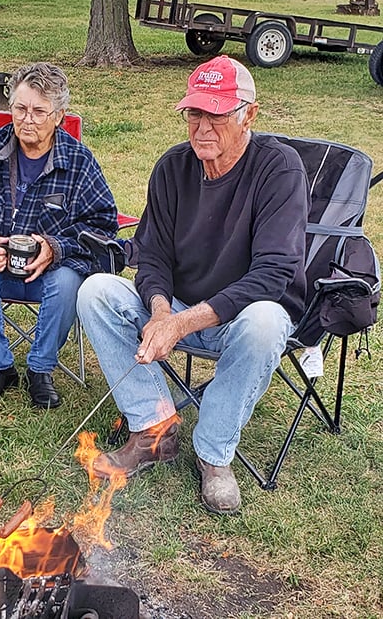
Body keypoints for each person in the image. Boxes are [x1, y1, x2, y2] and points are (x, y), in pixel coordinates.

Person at [76, 55, 309, 514]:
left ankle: (215, 455)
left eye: (216, 114)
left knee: (266, 321)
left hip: (240, 316)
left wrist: (182, 323)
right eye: (194, 113)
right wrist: (162, 312)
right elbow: (153, 256)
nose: (203, 127)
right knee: (97, 291)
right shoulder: (173, 168)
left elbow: (273, 273)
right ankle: (154, 430)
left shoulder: (280, 169)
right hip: (179, 305)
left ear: (249, 114)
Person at [0, 62, 118, 409]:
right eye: (20, 108)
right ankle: (0, 366)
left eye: (39, 111)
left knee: (71, 280)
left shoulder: (79, 161)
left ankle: (41, 369)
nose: (27, 119)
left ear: (59, 116)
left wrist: (55, 248)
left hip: (50, 274)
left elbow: (104, 225)